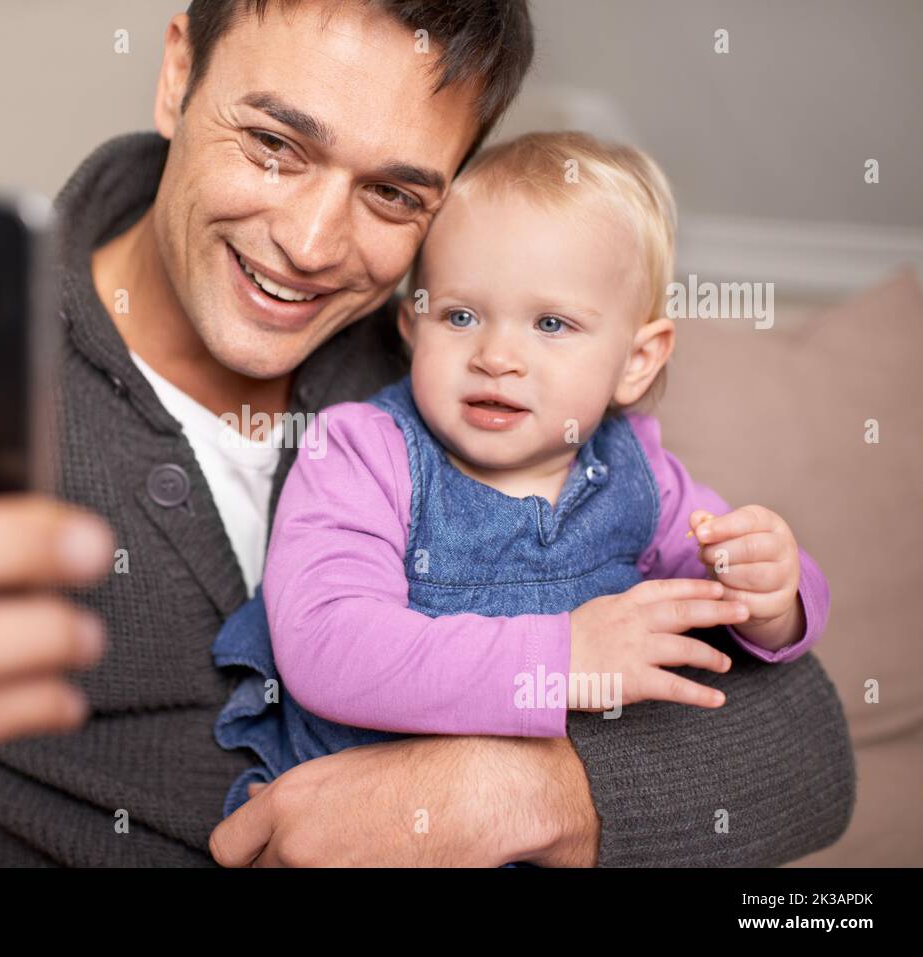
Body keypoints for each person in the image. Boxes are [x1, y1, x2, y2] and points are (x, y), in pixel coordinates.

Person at [0, 0, 853, 868]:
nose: (314, 246)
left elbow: (808, 751)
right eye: (274, 144)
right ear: (175, 75)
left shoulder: (463, 371)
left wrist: (506, 793)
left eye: (392, 194)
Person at [212, 131, 832, 823]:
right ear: (412, 327)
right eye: (461, 315)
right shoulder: (361, 452)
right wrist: (563, 657)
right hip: (364, 831)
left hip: (546, 833)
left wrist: (777, 597)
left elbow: (732, 602)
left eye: (551, 322)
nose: (497, 355)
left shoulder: (642, 477)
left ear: (637, 359)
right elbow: (328, 647)